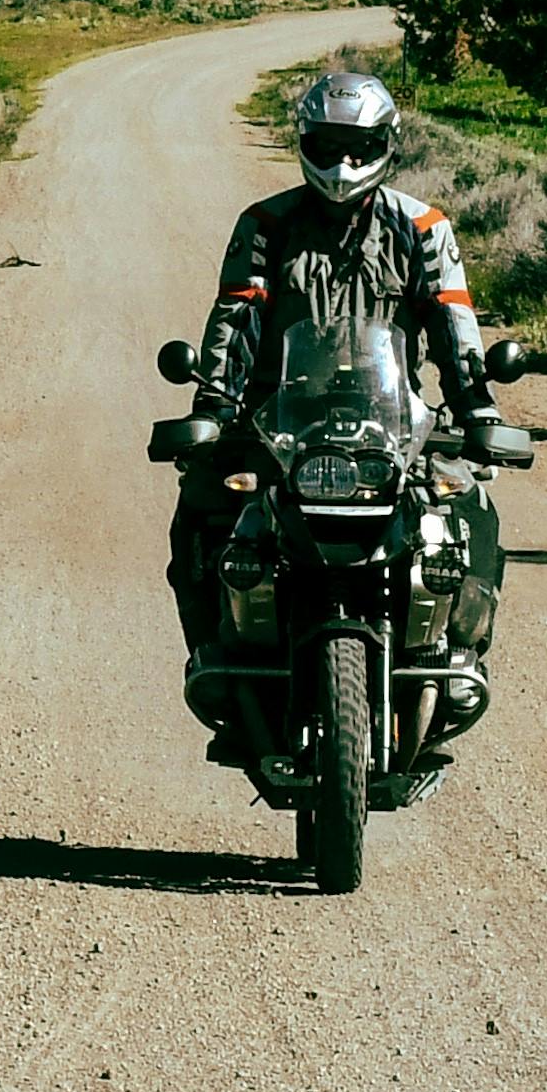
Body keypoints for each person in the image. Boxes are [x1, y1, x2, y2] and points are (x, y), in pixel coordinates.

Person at [170, 67, 503, 759]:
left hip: (395, 425)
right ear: (304, 142)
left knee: (471, 514)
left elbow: (454, 326)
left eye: (357, 146)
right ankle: (217, 664)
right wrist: (211, 409)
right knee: (200, 510)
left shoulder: (423, 229)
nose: (342, 163)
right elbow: (236, 318)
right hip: (278, 424)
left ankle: (459, 657)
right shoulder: (265, 226)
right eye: (326, 145)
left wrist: (478, 410)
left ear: (387, 143)